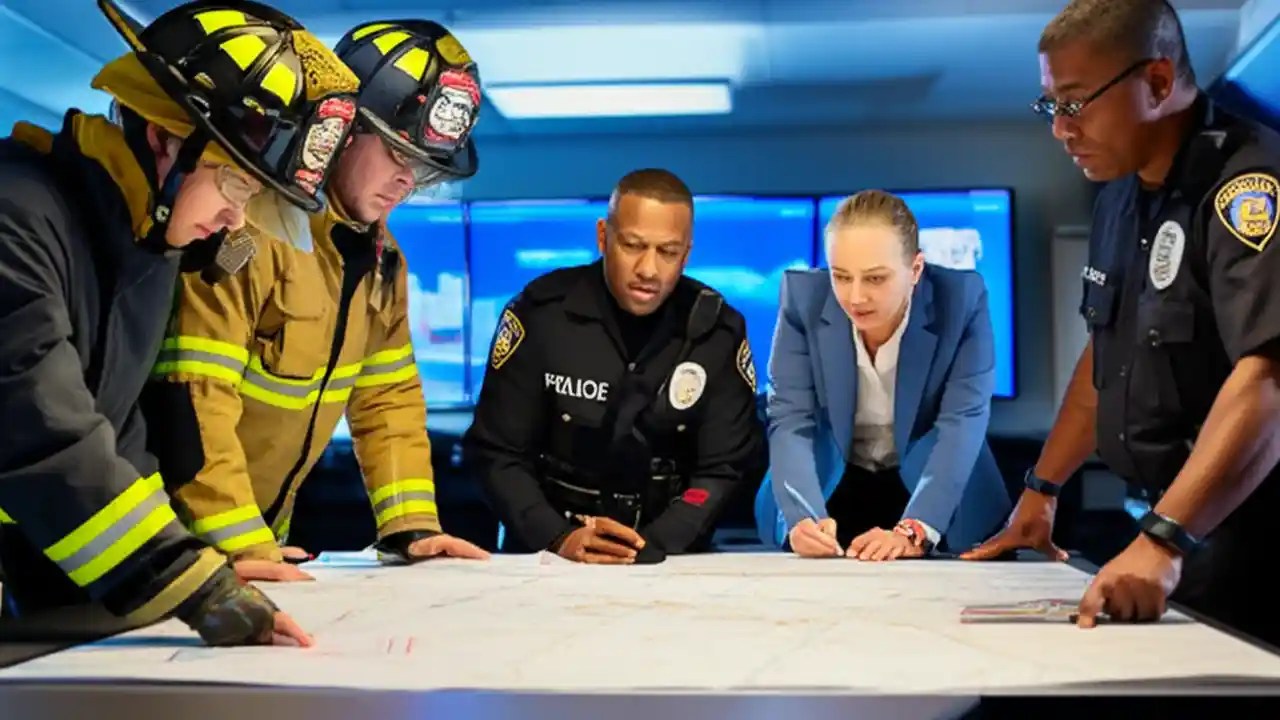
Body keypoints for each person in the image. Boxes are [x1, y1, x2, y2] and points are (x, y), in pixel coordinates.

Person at [0, 0, 360, 646]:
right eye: (235, 187)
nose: (235, 221)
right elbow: (44, 437)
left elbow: (121, 432)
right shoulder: (16, 218)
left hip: (39, 574)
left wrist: (198, 555)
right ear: (166, 139)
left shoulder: (145, 243)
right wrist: (195, 585)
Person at [962, 0, 1280, 645]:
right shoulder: (1118, 199)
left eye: (1075, 103)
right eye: (1051, 106)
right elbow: (1107, 354)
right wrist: (1041, 490)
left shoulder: (1249, 185)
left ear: (1158, 82)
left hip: (1252, 533)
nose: (1060, 129)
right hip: (1179, 525)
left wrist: (1166, 539)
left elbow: (1269, 378)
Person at [142, 19, 489, 576]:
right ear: (344, 129)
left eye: (423, 169)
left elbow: (387, 401)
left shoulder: (382, 258)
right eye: (400, 155)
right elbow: (195, 398)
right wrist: (236, 542)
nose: (408, 181)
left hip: (258, 543)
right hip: (177, 546)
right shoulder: (240, 228)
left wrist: (413, 527)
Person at [464, 169, 768, 564]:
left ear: (687, 253)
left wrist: (644, 550)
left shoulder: (718, 332)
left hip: (670, 560)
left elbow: (723, 469)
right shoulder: (541, 316)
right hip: (545, 556)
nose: (649, 269)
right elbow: (497, 453)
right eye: (633, 245)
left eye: (668, 252)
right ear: (604, 237)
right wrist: (559, 537)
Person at [754, 190, 1010, 559]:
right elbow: (790, 417)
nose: (855, 297)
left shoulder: (962, 299)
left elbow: (962, 421)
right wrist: (801, 518)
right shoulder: (802, 298)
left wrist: (915, 528)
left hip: (935, 490)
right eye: (841, 276)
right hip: (829, 484)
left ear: (916, 270)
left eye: (875, 279)